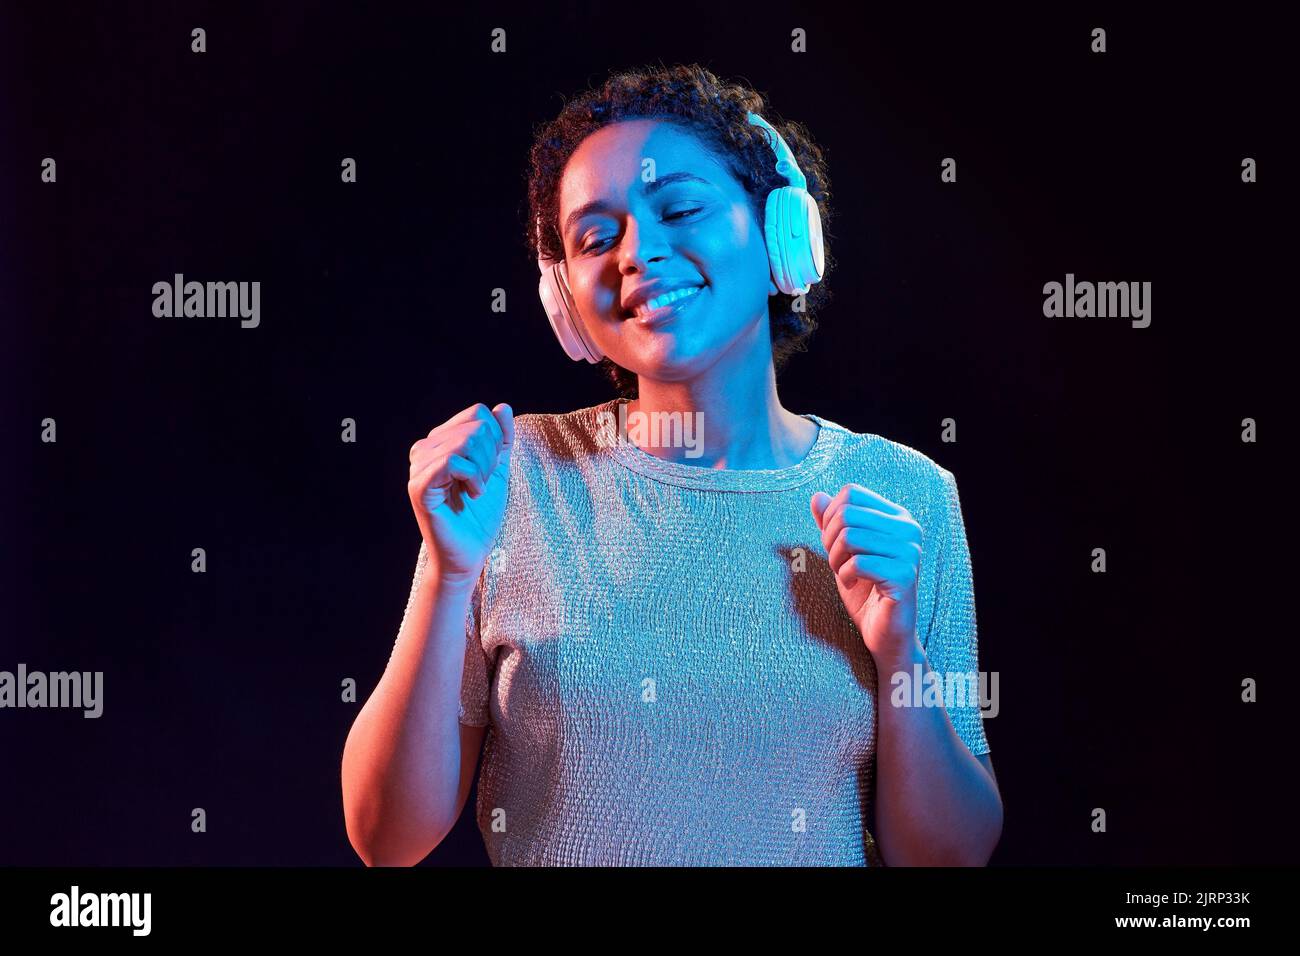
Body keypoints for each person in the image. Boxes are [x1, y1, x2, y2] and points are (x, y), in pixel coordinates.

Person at [341, 63, 1003, 866]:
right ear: (566, 303)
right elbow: (385, 837)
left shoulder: (911, 495)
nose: (637, 254)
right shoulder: (508, 482)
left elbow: (951, 856)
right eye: (595, 237)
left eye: (680, 207)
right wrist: (448, 578)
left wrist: (900, 650)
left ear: (782, 238)